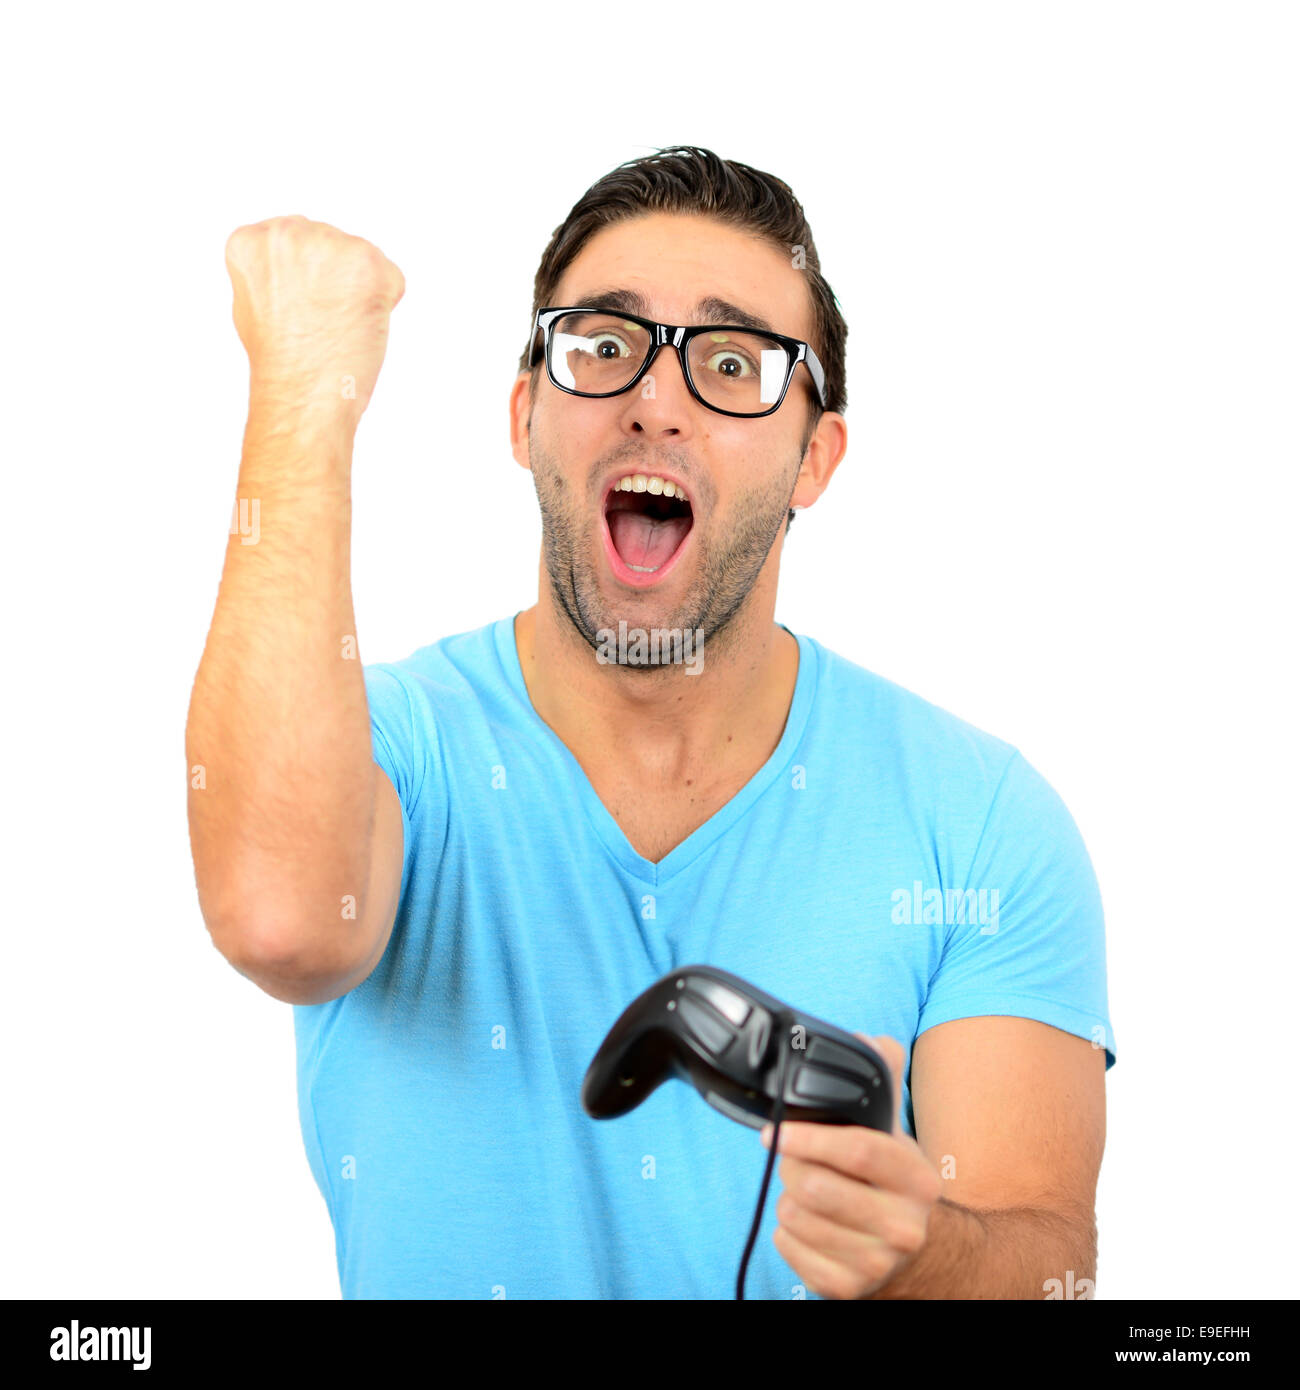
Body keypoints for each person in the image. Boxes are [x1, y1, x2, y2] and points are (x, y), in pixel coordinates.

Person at [186, 146, 1115, 1300]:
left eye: (733, 363)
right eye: (603, 346)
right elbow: (280, 919)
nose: (654, 400)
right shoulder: (386, 750)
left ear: (812, 459)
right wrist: (300, 388)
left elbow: (1053, 1271)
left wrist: (917, 1256)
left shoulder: (979, 822)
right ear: (525, 414)